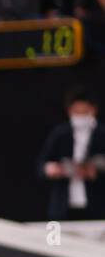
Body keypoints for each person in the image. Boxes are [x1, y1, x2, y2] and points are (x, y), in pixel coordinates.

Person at [38, 88, 105, 220]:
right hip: (62, 210)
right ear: (69, 111)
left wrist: (96, 174)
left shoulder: (102, 135)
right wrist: (51, 169)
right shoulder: (60, 134)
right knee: (57, 240)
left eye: (84, 112)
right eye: (76, 112)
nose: (80, 116)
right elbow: (41, 166)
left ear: (93, 110)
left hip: (97, 209)